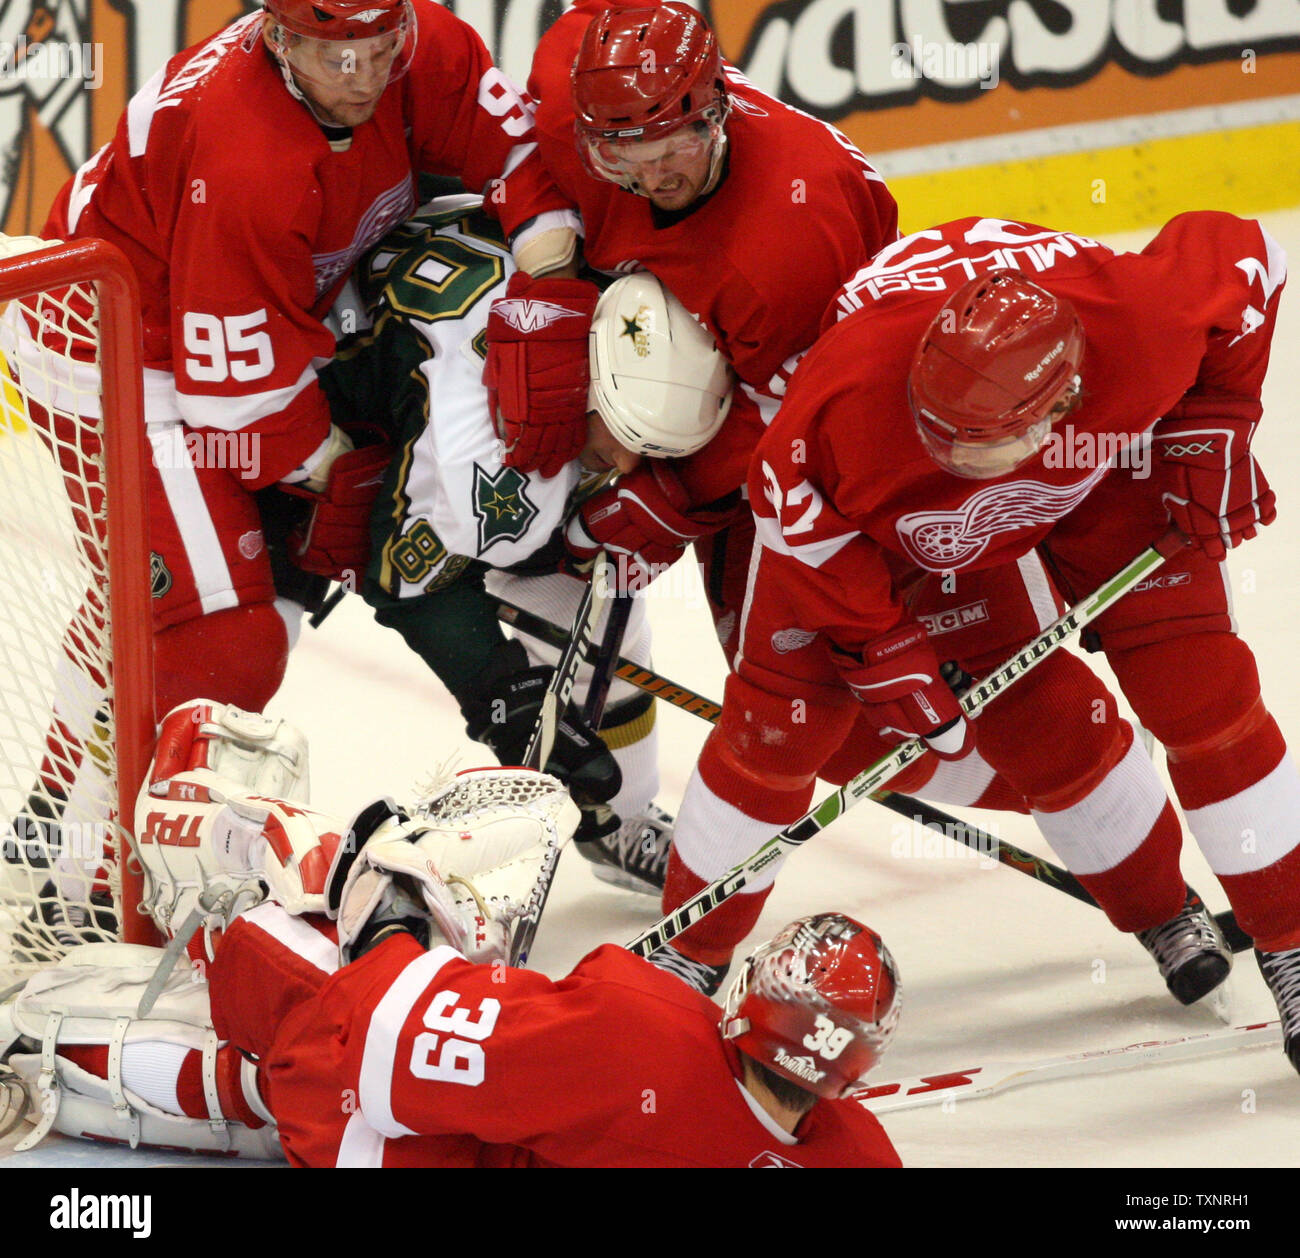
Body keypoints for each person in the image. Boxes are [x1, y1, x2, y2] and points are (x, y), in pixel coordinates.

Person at [664, 210, 1300, 1074]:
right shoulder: (859, 401)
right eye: (939, 429)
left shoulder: (1138, 322)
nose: (947, 451)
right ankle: (683, 962)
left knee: (1199, 690)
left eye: (975, 441)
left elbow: (1251, 251)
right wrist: (875, 641)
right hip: (891, 521)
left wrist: (1219, 419)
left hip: (1108, 456)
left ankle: (1292, 939)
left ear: (1063, 399)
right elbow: (786, 499)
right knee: (781, 726)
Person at [2, 1, 568, 945]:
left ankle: (58, 804)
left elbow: (520, 158)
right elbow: (236, 406)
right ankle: (108, 871)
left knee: (174, 585)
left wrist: (550, 281)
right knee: (228, 634)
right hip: (108, 338)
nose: (362, 73)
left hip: (214, 316)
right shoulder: (246, 156)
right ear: (277, 40)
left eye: (377, 47)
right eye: (331, 52)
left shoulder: (420, 46)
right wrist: (339, 472)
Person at [0, 700, 904, 1167]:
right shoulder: (859, 1156)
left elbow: (365, 1041)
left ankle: (56, 1027)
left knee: (301, 1020)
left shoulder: (642, 1034)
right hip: (476, 1130)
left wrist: (388, 920)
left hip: (382, 1130)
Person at [294, 195, 735, 893]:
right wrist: (507, 698)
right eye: (626, 442)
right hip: (277, 436)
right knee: (231, 650)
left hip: (407, 372)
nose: (626, 470)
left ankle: (614, 823)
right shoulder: (480, 446)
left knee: (594, 617)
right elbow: (415, 583)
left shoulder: (623, 308)